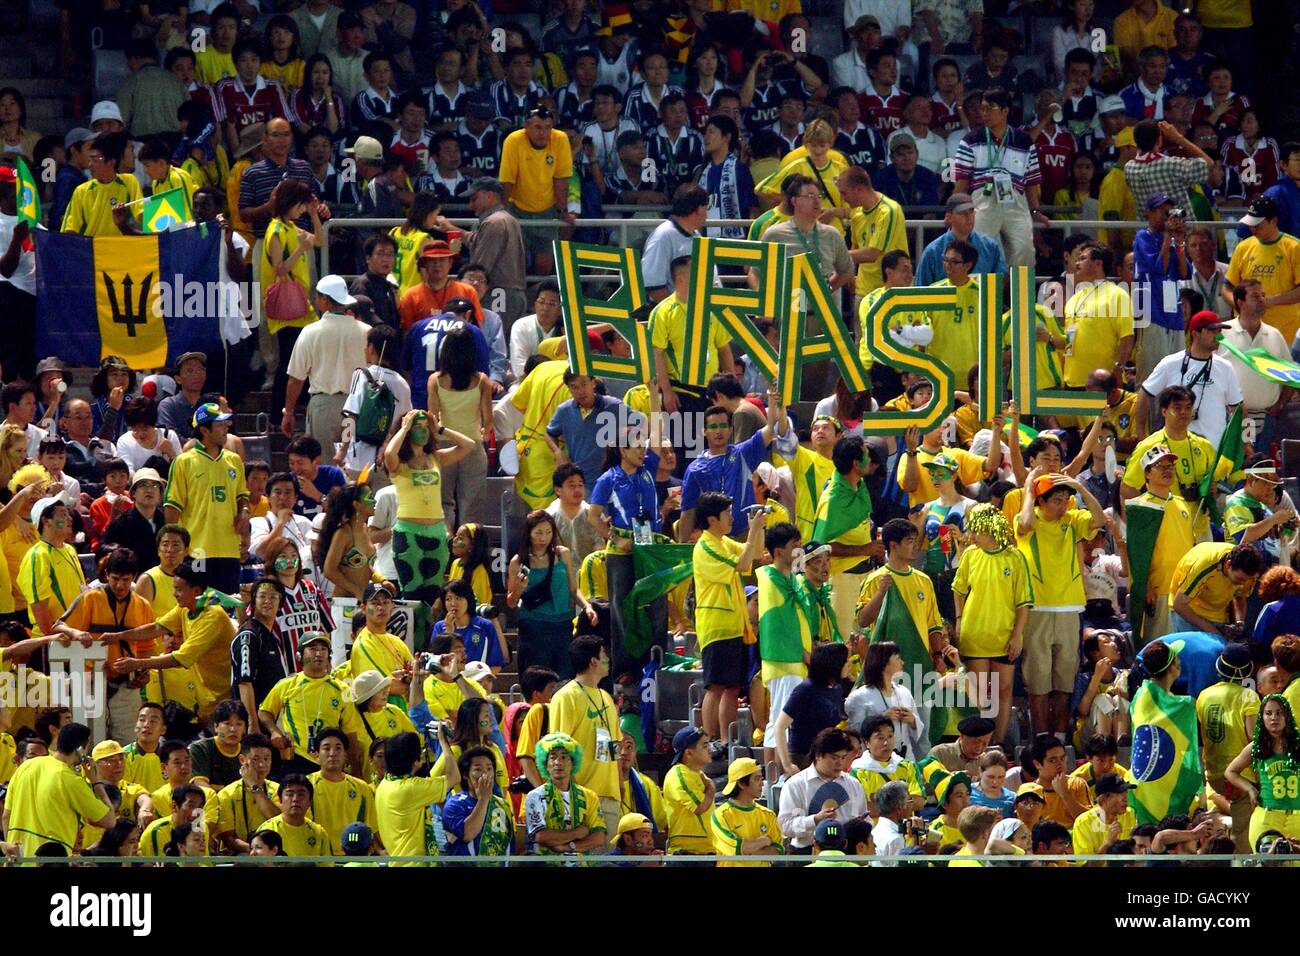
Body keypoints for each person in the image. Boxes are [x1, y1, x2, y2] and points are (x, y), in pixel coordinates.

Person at [1016, 471, 1107, 736]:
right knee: (1038, 681)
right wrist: (1028, 489)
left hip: (1070, 607)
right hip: (1037, 608)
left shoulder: (1073, 520)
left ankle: (1059, 738)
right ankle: (1041, 738)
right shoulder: (1026, 520)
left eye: (1066, 499)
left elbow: (1100, 519)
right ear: (1040, 501)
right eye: (1056, 500)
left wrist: (1079, 486)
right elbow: (1025, 522)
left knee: (1065, 680)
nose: (1062, 504)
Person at [380, 410, 476, 633]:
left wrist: (439, 428)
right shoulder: (399, 463)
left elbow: (468, 445)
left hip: (435, 533)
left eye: (425, 427)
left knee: (434, 596)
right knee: (412, 594)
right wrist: (403, 428)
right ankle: (414, 647)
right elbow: (388, 455)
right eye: (417, 427)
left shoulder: (436, 458)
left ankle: (435, 645)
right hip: (408, 533)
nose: (422, 432)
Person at [109, 560, 239, 719]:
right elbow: (156, 628)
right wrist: (117, 636)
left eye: (178, 589)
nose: (174, 594)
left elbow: (180, 658)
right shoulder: (185, 607)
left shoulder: (212, 617)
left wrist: (137, 663)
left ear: (196, 591)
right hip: (208, 697)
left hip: (228, 694)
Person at [691, 490, 767, 753]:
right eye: (727, 514)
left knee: (733, 687)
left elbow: (755, 553)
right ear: (712, 519)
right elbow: (743, 562)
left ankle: (726, 740)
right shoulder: (707, 546)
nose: (732, 518)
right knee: (715, 687)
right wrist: (753, 527)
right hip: (716, 625)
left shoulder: (722, 541)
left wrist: (759, 527)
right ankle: (708, 739)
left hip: (735, 625)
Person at [953, 503, 1032, 745]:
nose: (971, 535)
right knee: (979, 694)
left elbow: (1023, 601)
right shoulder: (970, 555)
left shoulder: (1015, 557)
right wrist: (958, 619)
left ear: (987, 528)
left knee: (1004, 690)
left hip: (1005, 636)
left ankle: (998, 742)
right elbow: (958, 588)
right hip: (975, 634)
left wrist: (1017, 635)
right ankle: (980, 744)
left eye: (974, 529)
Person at [950, 89, 1047, 268]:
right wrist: (954, 210)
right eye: (983, 109)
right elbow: (962, 181)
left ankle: (1014, 295)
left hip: (1016, 201)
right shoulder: (970, 140)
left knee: (1025, 251)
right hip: (982, 201)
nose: (984, 114)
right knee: (976, 252)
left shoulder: (1024, 141)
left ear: (1005, 111)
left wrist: (1035, 211)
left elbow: (1032, 182)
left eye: (990, 109)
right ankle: (980, 294)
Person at [162, 402, 249, 594]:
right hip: (197, 551)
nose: (226, 428)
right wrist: (174, 546)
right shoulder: (184, 462)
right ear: (204, 430)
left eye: (226, 423)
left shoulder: (234, 460)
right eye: (219, 425)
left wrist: (244, 511)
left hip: (229, 550)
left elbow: (242, 494)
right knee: (198, 606)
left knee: (228, 609)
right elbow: (172, 506)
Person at [547, 636, 624, 842]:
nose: (608, 659)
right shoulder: (566, 696)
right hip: (579, 797)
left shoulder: (606, 697)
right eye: (604, 655)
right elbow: (558, 749)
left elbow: (615, 744)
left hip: (610, 797)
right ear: (593, 661)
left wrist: (620, 783)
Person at [0, 722, 115, 857]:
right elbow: (109, 821)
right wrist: (96, 782)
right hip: (50, 861)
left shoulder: (26, 766)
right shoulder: (72, 780)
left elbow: (6, 816)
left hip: (17, 860)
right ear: (80, 749)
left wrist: (12, 848)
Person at [505, 510, 596, 678]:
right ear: (528, 533)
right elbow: (511, 602)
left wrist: (587, 606)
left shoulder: (563, 554)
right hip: (533, 625)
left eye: (548, 532)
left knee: (564, 676)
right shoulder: (518, 562)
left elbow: (573, 589)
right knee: (536, 679)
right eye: (538, 532)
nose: (543, 538)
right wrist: (519, 588)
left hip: (562, 623)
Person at [280, 275, 368, 449]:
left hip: (323, 407)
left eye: (318, 296)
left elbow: (296, 379)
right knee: (351, 461)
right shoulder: (366, 331)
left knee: (323, 465)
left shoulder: (310, 332)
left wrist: (288, 412)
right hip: (357, 407)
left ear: (325, 300)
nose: (315, 300)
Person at [1135, 310, 1242, 449]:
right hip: (1175, 451)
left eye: (1220, 331)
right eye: (1213, 331)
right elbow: (1144, 395)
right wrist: (1141, 436)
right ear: (1195, 334)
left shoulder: (1225, 367)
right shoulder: (1170, 363)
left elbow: (1238, 409)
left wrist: (1244, 442)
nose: (1219, 336)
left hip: (1214, 453)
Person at [1196, 643, 1259, 852]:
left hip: (1214, 775)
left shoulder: (1203, 695)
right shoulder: (1249, 696)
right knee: (1244, 831)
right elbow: (1253, 738)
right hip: (1241, 775)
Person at [375, 728, 460, 867]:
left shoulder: (385, 784)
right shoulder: (410, 789)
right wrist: (444, 742)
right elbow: (455, 777)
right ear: (414, 760)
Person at [1225, 694, 1300, 849]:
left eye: (1279, 713)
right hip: (1266, 815)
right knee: (1263, 862)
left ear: (1287, 716)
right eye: (1268, 713)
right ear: (1262, 717)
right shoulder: (1256, 746)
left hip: (1297, 817)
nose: (1274, 718)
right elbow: (1230, 771)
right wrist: (1250, 789)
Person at [1225, 196, 1300, 347]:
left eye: (1258, 225)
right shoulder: (1243, 247)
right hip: (1246, 332)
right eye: (1251, 225)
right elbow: (1227, 287)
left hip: (1284, 333)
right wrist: (1241, 305)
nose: (1253, 229)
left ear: (1273, 221)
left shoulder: (1294, 248)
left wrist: (1270, 301)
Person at [1062, 244, 1136, 389]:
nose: (1076, 263)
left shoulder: (1117, 294)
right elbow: (1068, 342)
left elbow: (1127, 337)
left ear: (1098, 264)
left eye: (1082, 258)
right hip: (1071, 382)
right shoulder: (1072, 300)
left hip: (1102, 383)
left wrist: (1118, 369)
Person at [523, 732, 607, 860]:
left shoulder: (589, 796)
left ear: (573, 763)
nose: (558, 762)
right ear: (545, 764)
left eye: (564, 757)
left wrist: (568, 847)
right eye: (553, 757)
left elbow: (599, 838)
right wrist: (577, 833)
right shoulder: (535, 796)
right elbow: (541, 836)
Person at [17, 497, 86, 637]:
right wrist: (54, 638)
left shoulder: (70, 549)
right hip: (54, 641)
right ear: (45, 521)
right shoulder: (38, 556)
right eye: (62, 515)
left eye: (68, 513)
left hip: (76, 635)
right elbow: (39, 607)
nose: (69, 518)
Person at [307, 728, 381, 856]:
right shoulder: (306, 786)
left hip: (354, 858)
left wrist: (381, 851)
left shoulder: (361, 787)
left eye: (338, 748)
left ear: (345, 755)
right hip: (318, 858)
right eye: (326, 748)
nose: (332, 753)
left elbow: (372, 828)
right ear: (317, 755)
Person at [1168, 542, 1263, 637]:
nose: (1242, 584)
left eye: (1246, 580)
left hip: (1217, 613)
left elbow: (1240, 597)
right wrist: (1213, 632)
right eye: (1239, 579)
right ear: (1228, 565)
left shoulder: (1249, 575)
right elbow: (1179, 604)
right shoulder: (1203, 566)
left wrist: (1239, 623)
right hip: (1187, 610)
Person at [230, 577, 291, 724]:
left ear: (280, 604)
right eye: (262, 596)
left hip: (272, 718)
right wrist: (252, 723)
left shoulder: (269, 634)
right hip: (255, 723)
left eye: (273, 597)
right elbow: (244, 682)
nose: (267, 601)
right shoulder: (249, 635)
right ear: (253, 601)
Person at [442, 745, 515, 860]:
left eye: (489, 769)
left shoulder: (502, 804)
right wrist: (483, 799)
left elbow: (508, 844)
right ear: (465, 775)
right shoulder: (454, 805)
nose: (485, 775)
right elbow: (468, 834)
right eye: (478, 769)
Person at [708, 756, 783, 867]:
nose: (762, 784)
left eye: (761, 778)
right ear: (741, 783)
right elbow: (736, 849)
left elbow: (777, 852)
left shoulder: (768, 815)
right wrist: (764, 841)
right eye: (757, 779)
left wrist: (748, 850)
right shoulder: (720, 815)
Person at [661, 727, 715, 858]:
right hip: (687, 854)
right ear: (689, 753)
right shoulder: (679, 773)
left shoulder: (699, 775)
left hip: (705, 852)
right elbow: (700, 806)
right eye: (704, 745)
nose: (710, 749)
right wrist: (712, 788)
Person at [1070, 772, 1137, 860]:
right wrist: (1108, 843)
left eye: (1126, 792)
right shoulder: (1083, 823)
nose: (1125, 798)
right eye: (1120, 793)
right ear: (1103, 798)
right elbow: (1085, 866)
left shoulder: (1130, 814)